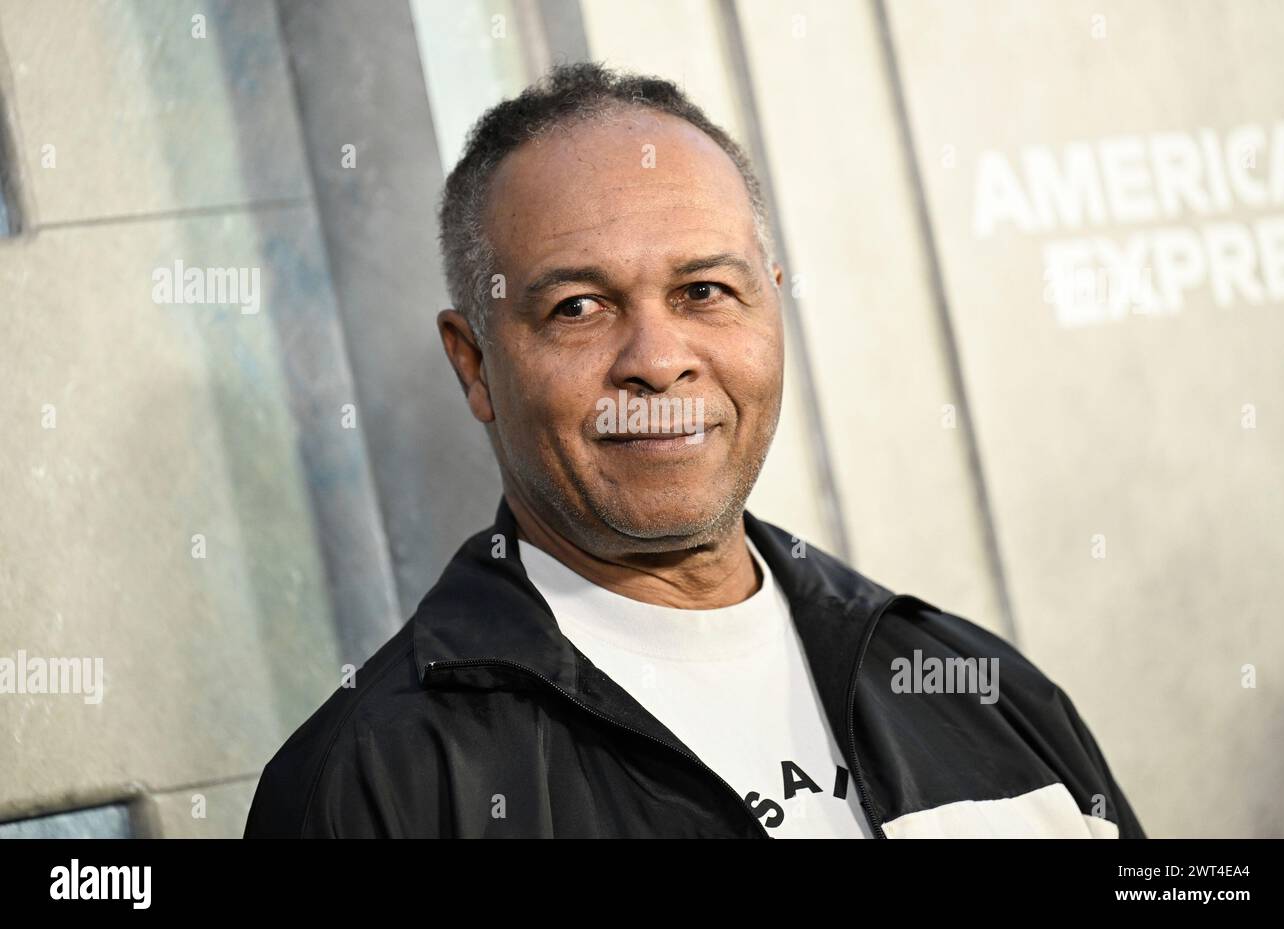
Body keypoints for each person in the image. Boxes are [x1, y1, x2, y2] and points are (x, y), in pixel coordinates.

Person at [244, 62, 1144, 839]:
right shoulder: (373, 786)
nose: (658, 361)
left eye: (705, 290)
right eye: (579, 309)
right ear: (474, 363)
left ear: (773, 306)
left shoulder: (982, 689)